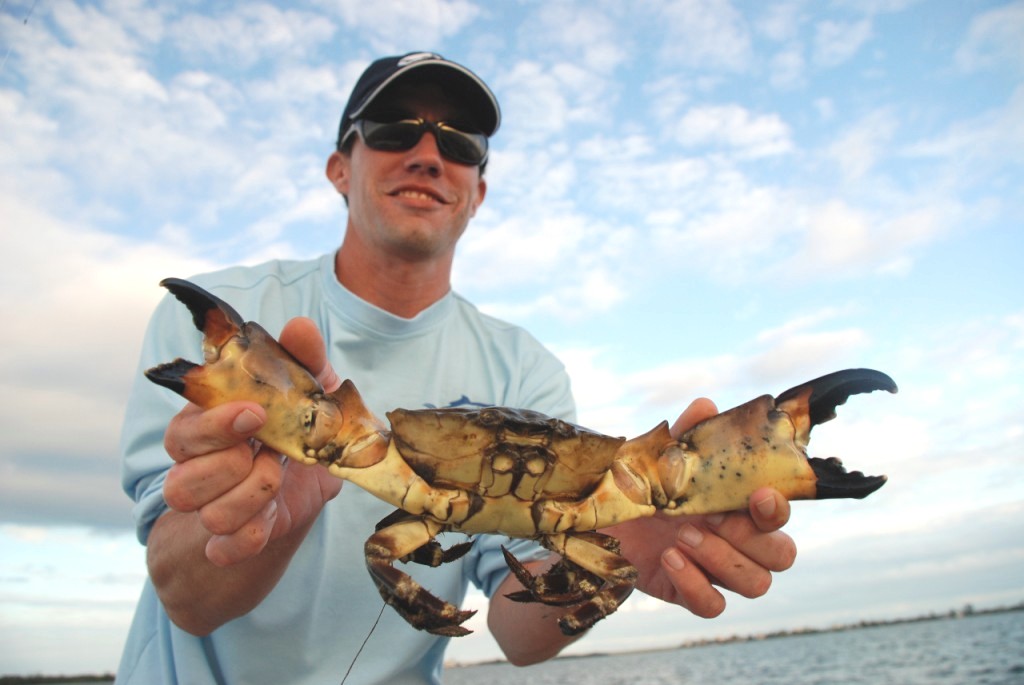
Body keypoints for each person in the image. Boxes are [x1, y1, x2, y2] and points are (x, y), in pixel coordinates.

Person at [116, 52, 796, 685]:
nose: (427, 155)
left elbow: (517, 631)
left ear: (478, 191)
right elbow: (186, 596)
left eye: (460, 142)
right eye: (393, 130)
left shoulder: (526, 368)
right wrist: (272, 519)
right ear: (338, 168)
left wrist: (618, 556)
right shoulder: (234, 338)